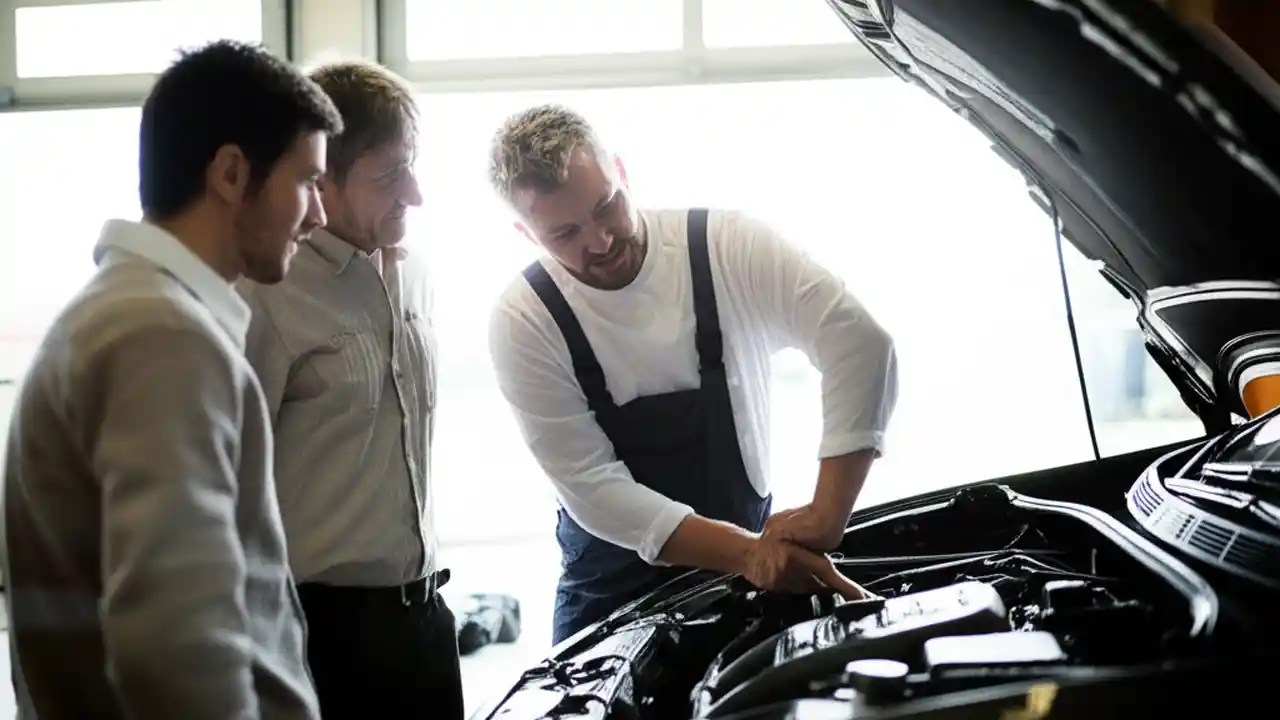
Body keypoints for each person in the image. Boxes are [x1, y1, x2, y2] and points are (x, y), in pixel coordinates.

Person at [2, 39, 341, 719]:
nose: (319, 215)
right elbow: (178, 648)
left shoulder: (126, 313)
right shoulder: (163, 336)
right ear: (231, 174)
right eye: (307, 182)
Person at [487, 104, 899, 644]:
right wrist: (749, 553)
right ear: (526, 233)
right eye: (565, 233)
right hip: (609, 600)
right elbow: (593, 488)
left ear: (622, 172)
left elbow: (859, 342)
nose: (601, 241)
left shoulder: (727, 247)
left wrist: (828, 512)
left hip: (751, 588)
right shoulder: (525, 320)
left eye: (608, 206)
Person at [237, 59, 461, 719]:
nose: (414, 193)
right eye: (390, 173)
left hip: (424, 618)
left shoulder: (415, 275)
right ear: (322, 182)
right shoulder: (265, 292)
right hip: (317, 634)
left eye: (413, 164)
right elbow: (226, 483)